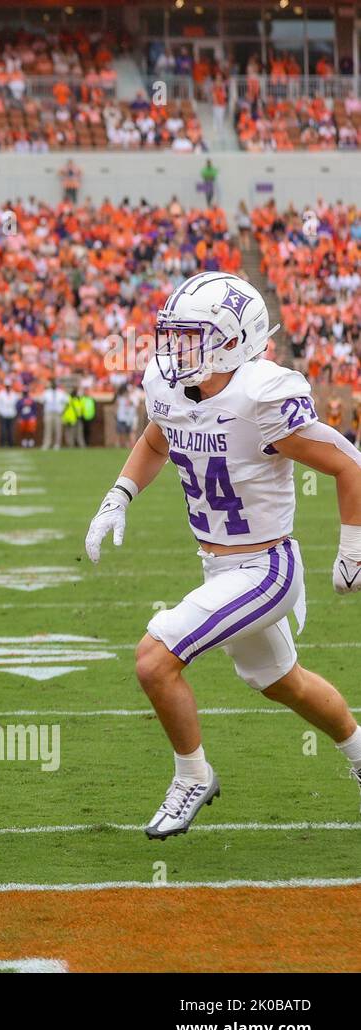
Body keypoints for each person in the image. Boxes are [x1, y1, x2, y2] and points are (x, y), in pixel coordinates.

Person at [85, 270, 361, 839]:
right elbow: (158, 437)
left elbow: (347, 463)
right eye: (176, 334)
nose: (176, 348)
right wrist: (119, 496)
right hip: (217, 565)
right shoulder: (170, 384)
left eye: (194, 335)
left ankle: (193, 774)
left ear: (236, 340)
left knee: (153, 659)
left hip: (265, 568)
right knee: (285, 682)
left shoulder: (262, 397)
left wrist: (353, 546)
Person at [40, 380, 67, 449]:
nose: (54, 385)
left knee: (58, 429)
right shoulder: (46, 392)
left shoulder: (61, 392)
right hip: (49, 413)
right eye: (53, 384)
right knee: (47, 429)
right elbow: (42, 400)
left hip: (58, 413)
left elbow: (66, 401)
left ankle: (57, 444)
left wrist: (62, 409)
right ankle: (47, 444)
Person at [0, 380, 18, 447]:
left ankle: (11, 443)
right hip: (3, 414)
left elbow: (15, 405)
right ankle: (3, 443)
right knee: (3, 429)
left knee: (10, 429)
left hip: (11, 414)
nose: (8, 388)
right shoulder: (1, 394)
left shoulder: (14, 394)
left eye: (9, 386)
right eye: (7, 386)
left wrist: (14, 412)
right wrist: (1, 412)